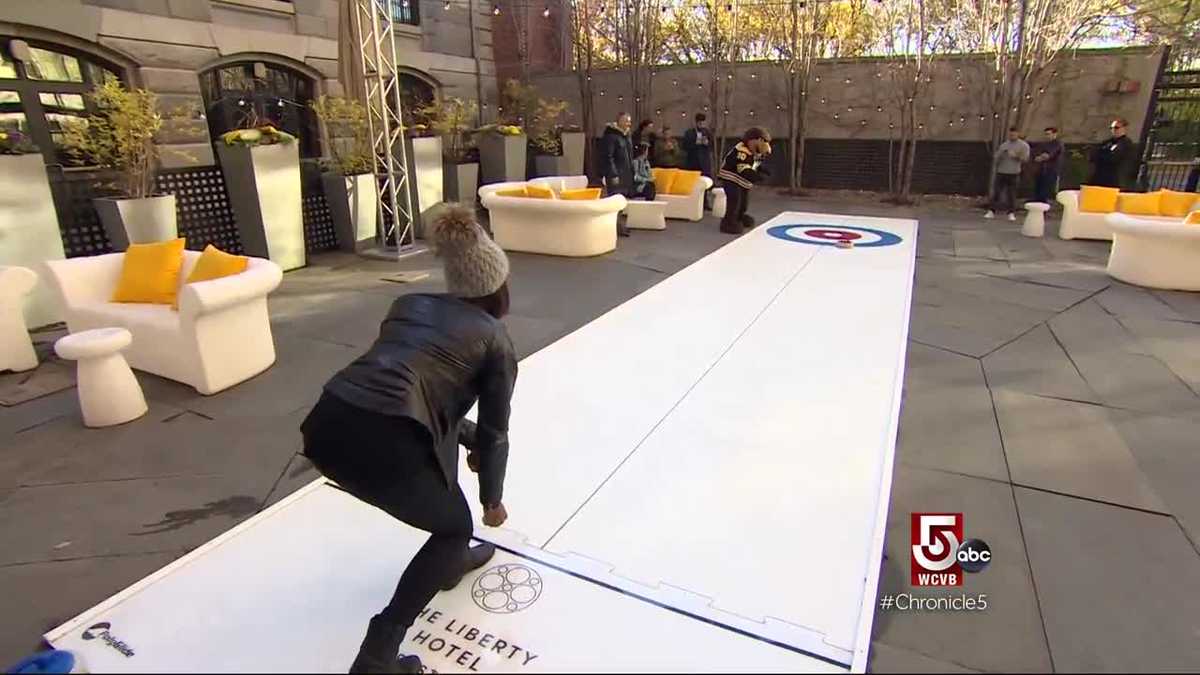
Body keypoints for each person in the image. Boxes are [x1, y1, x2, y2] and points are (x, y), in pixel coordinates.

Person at [301, 203, 517, 674]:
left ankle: (449, 564)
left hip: (327, 421)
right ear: (497, 287)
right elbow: (497, 436)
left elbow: (411, 389)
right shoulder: (496, 341)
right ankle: (377, 656)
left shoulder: (407, 305)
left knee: (442, 498)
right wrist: (491, 503)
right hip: (387, 440)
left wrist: (467, 436)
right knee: (454, 526)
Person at [718, 127, 772, 235]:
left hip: (742, 181)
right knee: (735, 201)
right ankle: (728, 222)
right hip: (731, 179)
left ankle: (739, 217)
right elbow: (743, 169)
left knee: (743, 203)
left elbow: (754, 165)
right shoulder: (741, 151)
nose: (764, 144)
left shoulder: (756, 153)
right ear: (752, 140)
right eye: (762, 140)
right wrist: (756, 177)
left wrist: (763, 170)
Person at [985, 127, 1030, 221]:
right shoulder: (1004, 145)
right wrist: (998, 156)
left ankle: (1011, 213)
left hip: (1014, 172)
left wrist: (1016, 156)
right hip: (1001, 172)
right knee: (996, 192)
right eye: (1010, 134)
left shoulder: (1023, 145)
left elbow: (1025, 159)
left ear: (1018, 134)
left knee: (1012, 194)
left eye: (1013, 134)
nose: (1011, 136)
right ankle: (991, 211)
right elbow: (996, 157)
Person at [601, 112, 635, 237]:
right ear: (619, 121)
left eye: (629, 121)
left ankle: (620, 227)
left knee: (622, 201)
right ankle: (616, 228)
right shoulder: (611, 136)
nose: (628, 123)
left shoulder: (626, 136)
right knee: (615, 201)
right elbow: (608, 157)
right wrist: (613, 174)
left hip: (625, 173)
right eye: (626, 121)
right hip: (616, 175)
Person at [1087, 118, 1135, 188]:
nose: (1113, 130)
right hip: (1099, 178)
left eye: (1116, 128)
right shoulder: (1108, 142)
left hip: (1113, 180)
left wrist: (1101, 155)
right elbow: (1094, 153)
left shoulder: (1125, 143)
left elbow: (1113, 157)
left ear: (1124, 129)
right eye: (1111, 128)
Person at [1032, 126, 1065, 204]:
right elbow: (1037, 152)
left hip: (1051, 170)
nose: (1047, 136)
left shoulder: (1057, 144)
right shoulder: (1044, 144)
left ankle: (1044, 206)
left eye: (1048, 134)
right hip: (1041, 170)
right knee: (1038, 189)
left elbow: (1048, 155)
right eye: (1046, 134)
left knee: (1045, 190)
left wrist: (1040, 158)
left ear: (1054, 134)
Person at [683, 113, 713, 177]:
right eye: (700, 123)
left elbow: (711, 146)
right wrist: (695, 143)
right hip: (693, 162)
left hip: (704, 164)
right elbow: (685, 146)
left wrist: (707, 143)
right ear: (696, 123)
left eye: (703, 123)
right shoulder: (689, 133)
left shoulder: (707, 132)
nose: (701, 125)